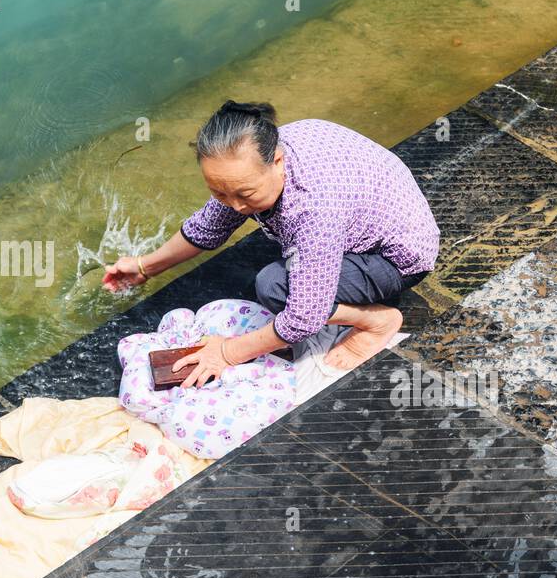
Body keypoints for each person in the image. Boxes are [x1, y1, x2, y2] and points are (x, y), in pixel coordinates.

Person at [102, 100, 439, 386]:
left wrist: (225, 353)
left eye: (244, 194)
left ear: (277, 161)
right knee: (274, 252)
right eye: (219, 191)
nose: (233, 205)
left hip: (397, 256)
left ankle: (376, 321)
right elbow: (209, 226)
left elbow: (304, 317)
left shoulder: (311, 207)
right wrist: (145, 267)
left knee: (275, 286)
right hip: (355, 221)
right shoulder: (255, 155)